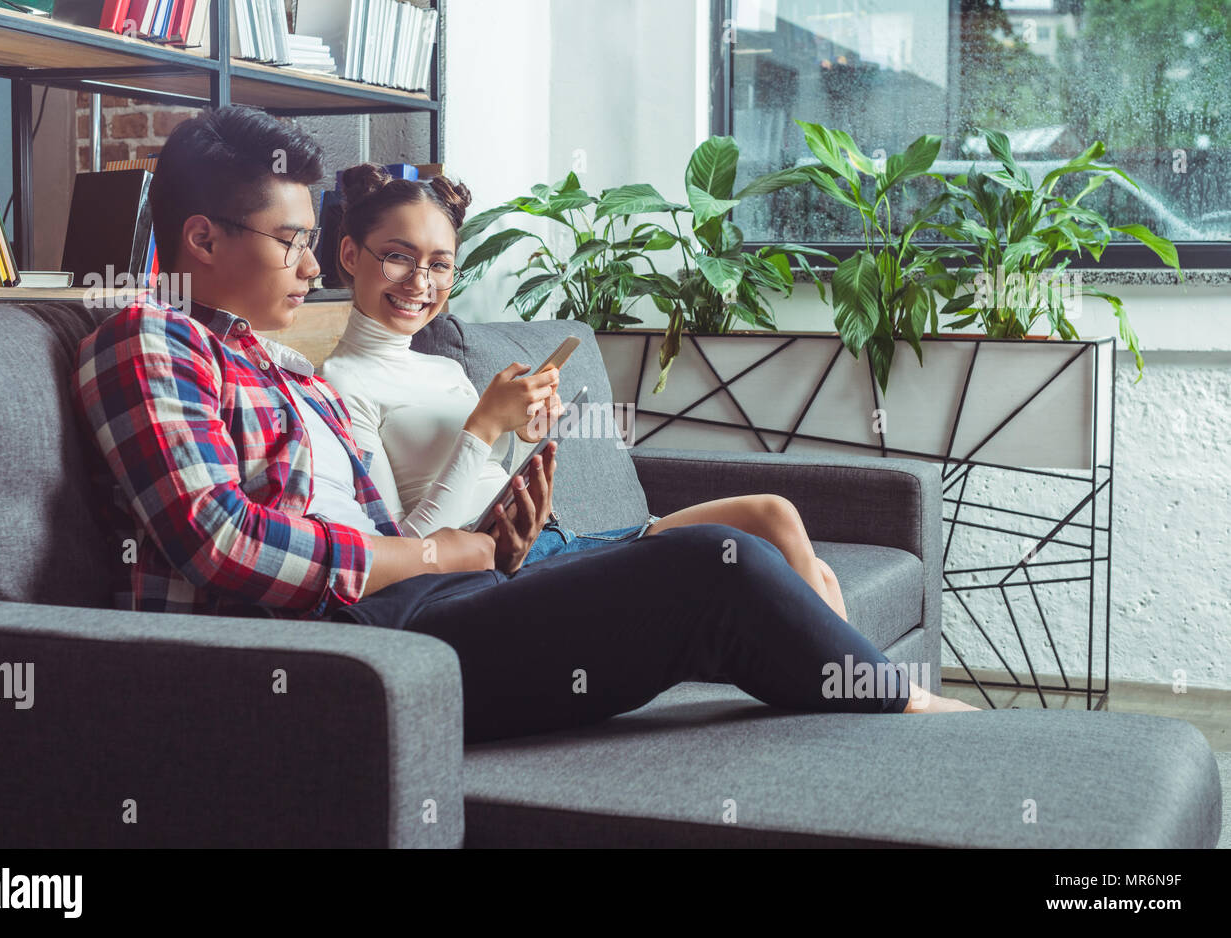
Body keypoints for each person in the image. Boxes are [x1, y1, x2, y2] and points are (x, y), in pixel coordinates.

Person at [69, 106, 978, 747]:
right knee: (713, 567)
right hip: (339, 648)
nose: (312, 264)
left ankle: (876, 731)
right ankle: (904, 719)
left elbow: (384, 526)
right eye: (292, 240)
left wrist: (483, 540)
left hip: (419, 601)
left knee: (745, 547)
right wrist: (443, 554)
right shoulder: (146, 337)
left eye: (312, 239)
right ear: (200, 240)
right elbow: (221, 540)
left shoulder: (281, 365)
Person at [320, 162, 854, 622]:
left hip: (561, 542)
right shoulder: (340, 386)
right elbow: (399, 554)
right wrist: (482, 427)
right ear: (349, 254)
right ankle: (864, 700)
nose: (420, 282)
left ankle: (851, 698)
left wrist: (521, 437)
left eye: (439, 264)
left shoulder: (441, 368)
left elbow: (485, 483)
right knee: (775, 526)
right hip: (513, 578)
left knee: (786, 532)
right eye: (398, 257)